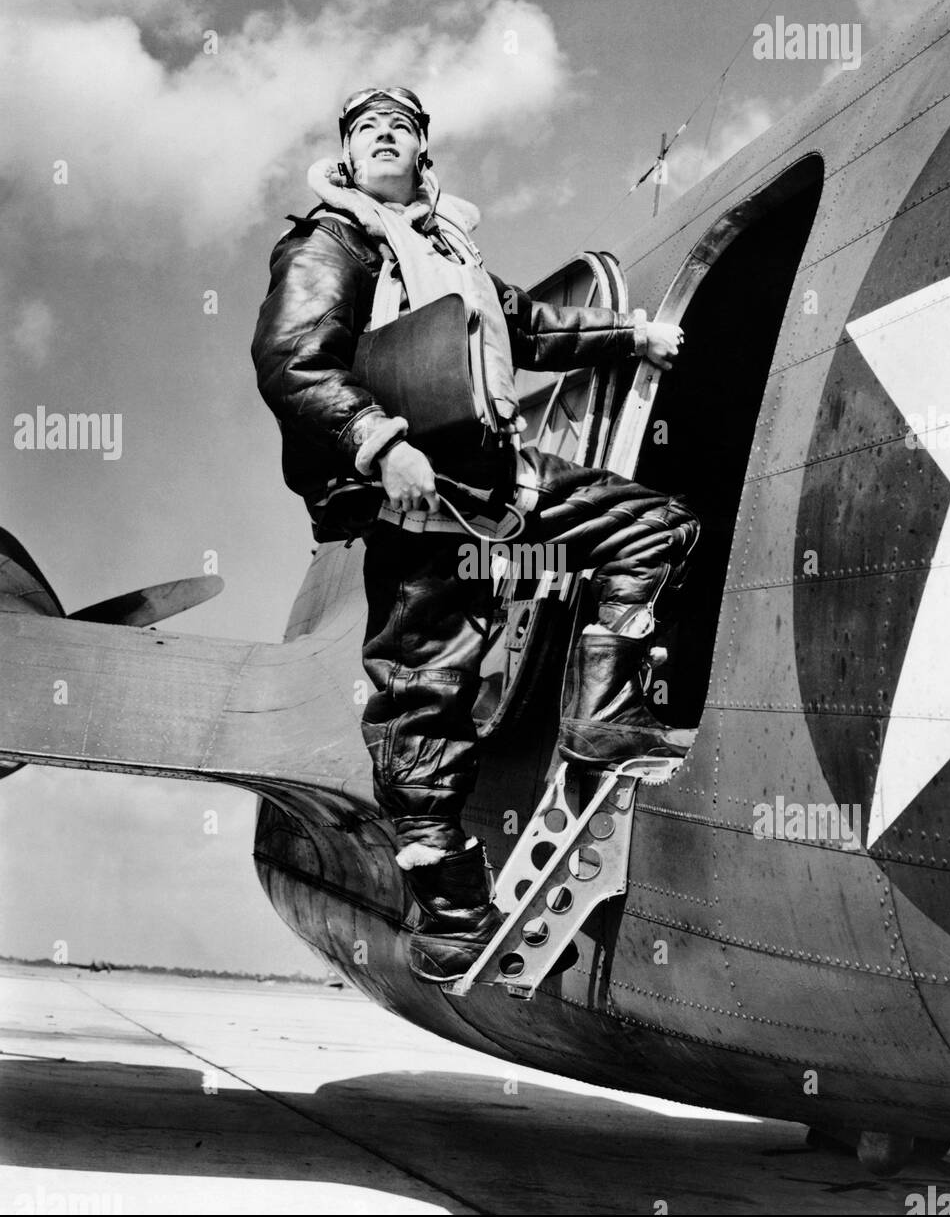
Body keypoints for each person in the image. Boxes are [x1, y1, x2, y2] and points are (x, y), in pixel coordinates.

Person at [252, 87, 699, 984]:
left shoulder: (447, 249)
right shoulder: (332, 241)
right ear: (345, 155)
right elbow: (291, 360)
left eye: (401, 126)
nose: (384, 134)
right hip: (415, 503)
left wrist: (632, 335)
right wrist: (379, 446)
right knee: (425, 697)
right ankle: (453, 915)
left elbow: (527, 326)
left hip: (496, 481)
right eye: (365, 127)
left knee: (653, 525)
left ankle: (603, 719)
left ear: (425, 152)